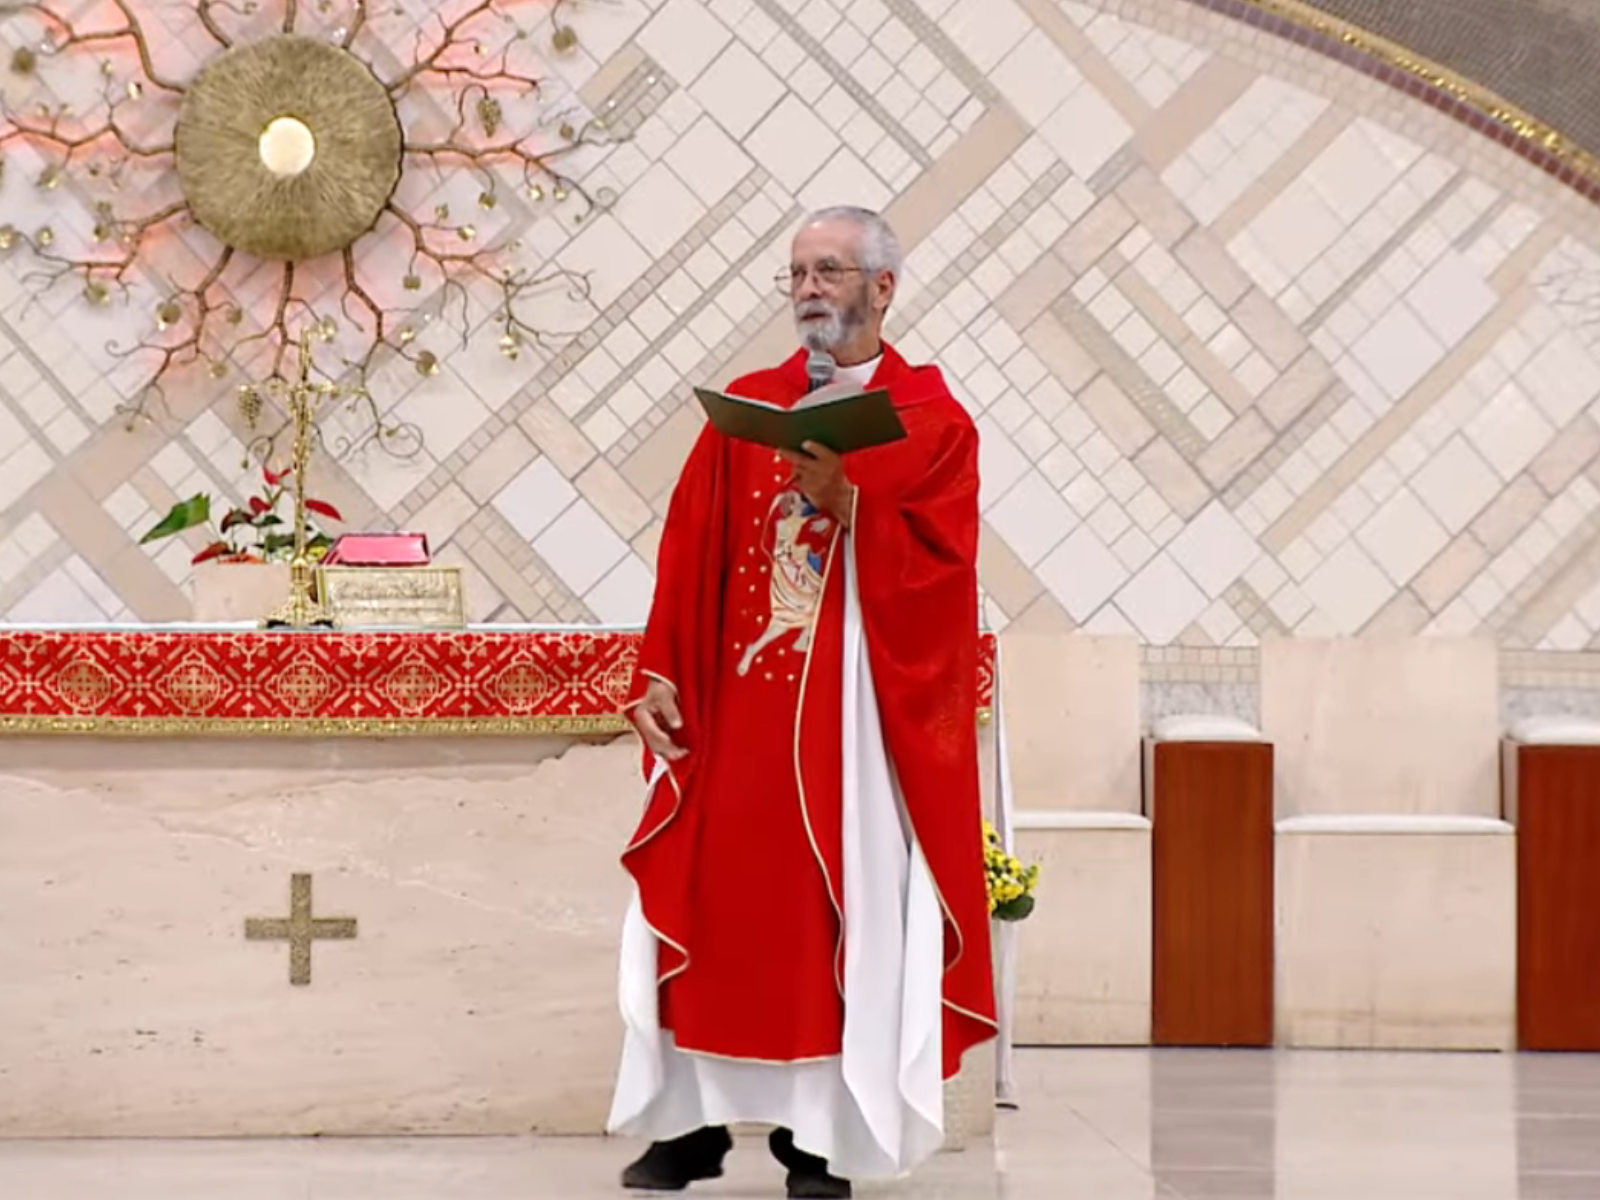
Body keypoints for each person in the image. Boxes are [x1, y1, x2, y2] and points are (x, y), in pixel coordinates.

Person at [605, 206, 995, 1199]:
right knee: (714, 904)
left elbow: (948, 576)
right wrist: (658, 670)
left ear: (882, 289)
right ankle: (686, 1128)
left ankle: (817, 1142)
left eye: (829, 271)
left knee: (828, 921)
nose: (810, 289)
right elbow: (689, 551)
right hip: (738, 717)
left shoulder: (933, 423)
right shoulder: (746, 409)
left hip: (853, 724)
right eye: (797, 273)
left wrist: (855, 506)